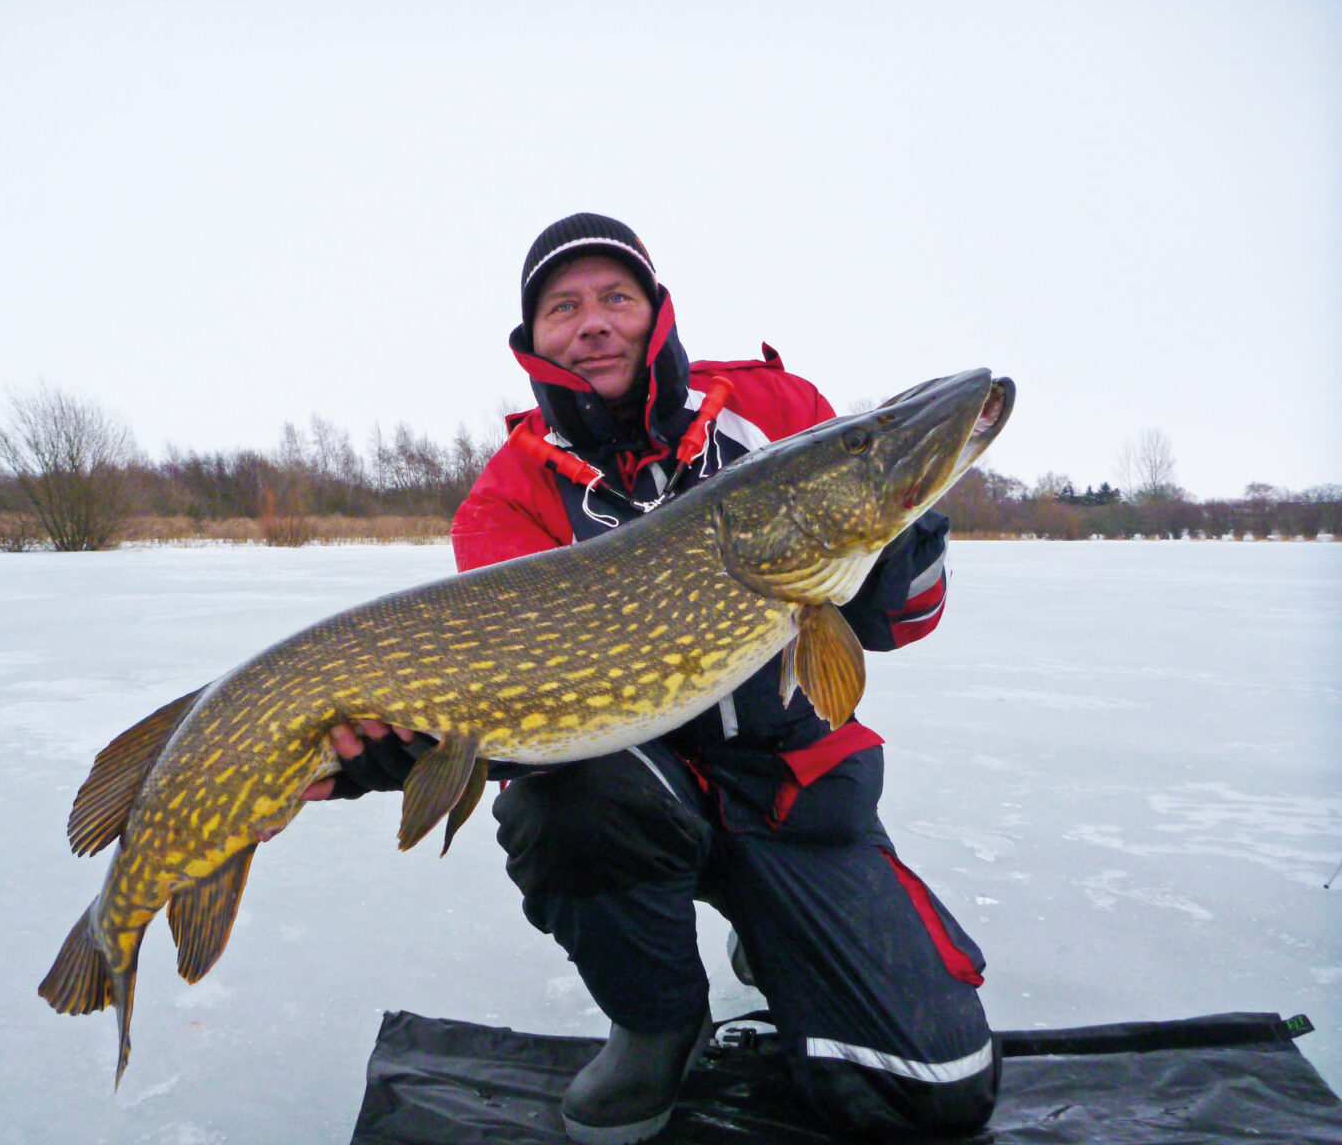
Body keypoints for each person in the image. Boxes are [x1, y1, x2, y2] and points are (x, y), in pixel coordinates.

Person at [306, 214, 999, 1143]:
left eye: (614, 298)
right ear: (533, 339)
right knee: (565, 800)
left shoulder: (774, 407)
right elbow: (509, 705)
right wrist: (372, 758)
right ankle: (657, 1020)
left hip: (800, 806)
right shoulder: (509, 498)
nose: (592, 323)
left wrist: (893, 521)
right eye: (563, 307)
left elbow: (901, 619)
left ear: (655, 310)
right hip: (638, 796)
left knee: (938, 1091)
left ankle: (777, 934)